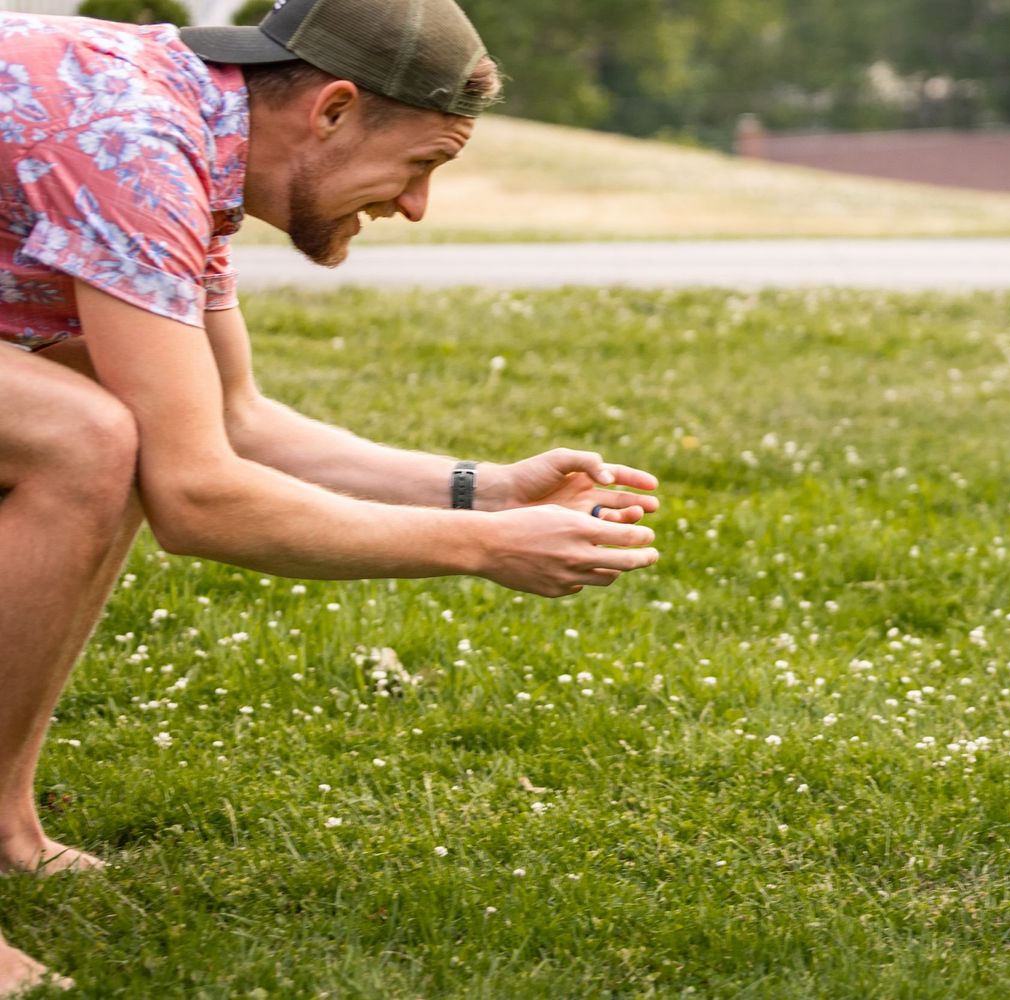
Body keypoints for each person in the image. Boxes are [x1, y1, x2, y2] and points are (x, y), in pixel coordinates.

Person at [0, 0, 659, 991]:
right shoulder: (136, 141)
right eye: (423, 164)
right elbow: (199, 498)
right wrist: (482, 552)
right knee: (86, 436)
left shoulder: (188, 134)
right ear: (335, 109)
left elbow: (237, 422)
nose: (417, 206)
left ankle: (5, 824)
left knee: (122, 412)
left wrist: (484, 492)